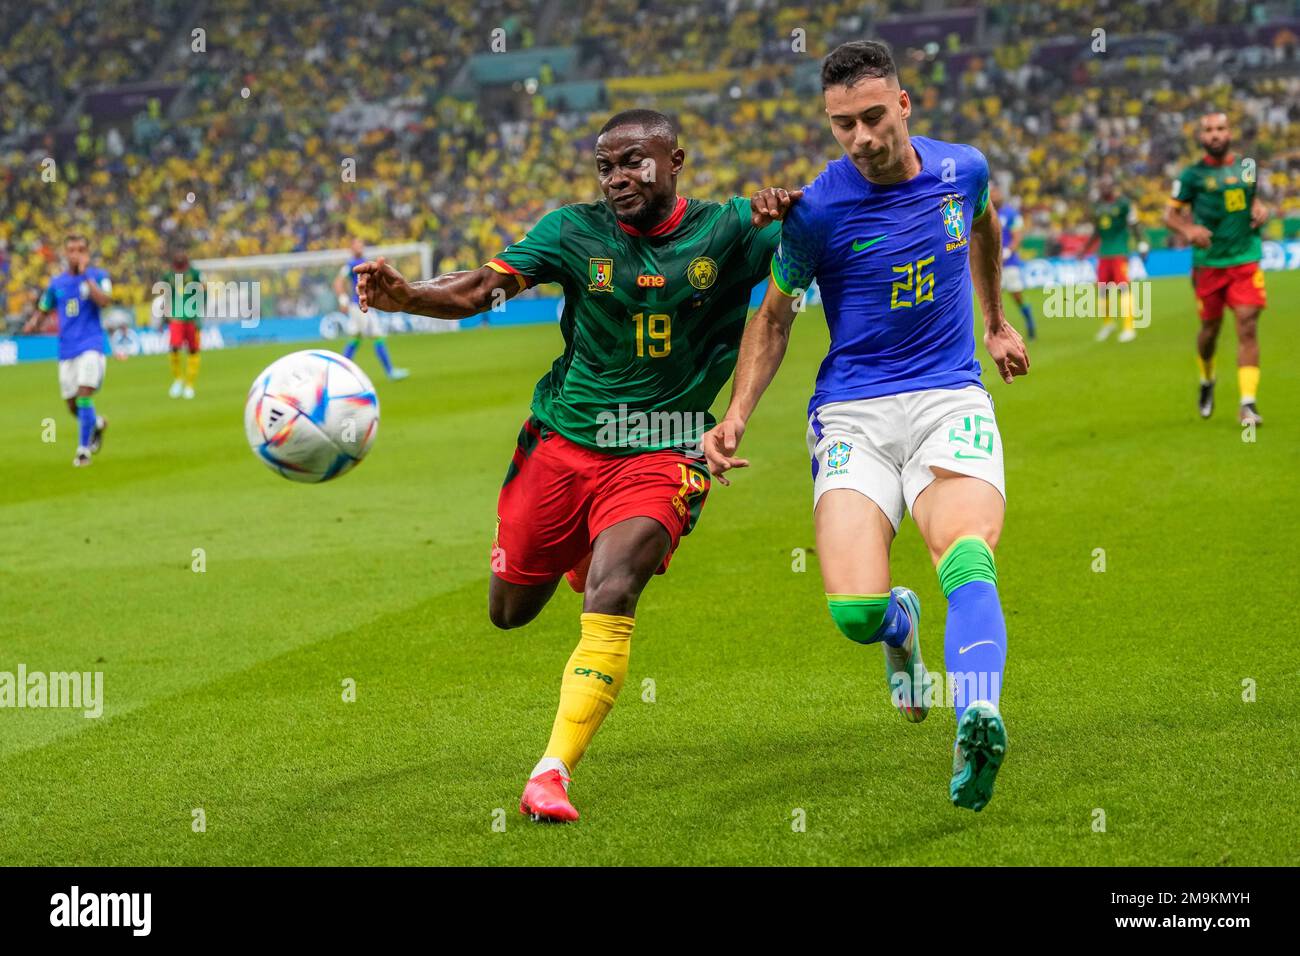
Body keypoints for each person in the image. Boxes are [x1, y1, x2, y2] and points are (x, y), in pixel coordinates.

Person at [352, 109, 789, 823]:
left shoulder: (733, 229)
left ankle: (550, 772)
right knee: (509, 611)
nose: (618, 178)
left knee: (614, 589)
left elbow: (824, 234)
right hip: (562, 446)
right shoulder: (571, 232)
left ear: (675, 159)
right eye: (606, 166)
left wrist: (790, 205)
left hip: (664, 447)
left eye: (635, 162)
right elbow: (478, 289)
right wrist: (411, 297)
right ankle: (580, 543)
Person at [703, 41, 1029, 812]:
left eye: (873, 118)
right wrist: (736, 418)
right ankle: (899, 628)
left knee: (966, 552)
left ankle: (976, 710)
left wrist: (995, 322)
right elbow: (776, 316)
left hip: (950, 395)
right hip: (853, 410)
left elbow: (984, 228)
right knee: (855, 613)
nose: (860, 138)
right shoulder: (816, 210)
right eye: (842, 125)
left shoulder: (964, 169)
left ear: (905, 105)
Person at [1164, 112, 1268, 425]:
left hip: (1245, 259)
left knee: (1247, 326)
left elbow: (1253, 201)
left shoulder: (1248, 166)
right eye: (1208, 130)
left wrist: (1262, 209)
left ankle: (1248, 403)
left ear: (1230, 132)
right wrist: (1189, 231)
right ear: (1201, 137)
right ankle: (1207, 379)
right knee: (1210, 332)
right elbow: (1170, 215)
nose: (1215, 135)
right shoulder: (1191, 175)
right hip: (1208, 264)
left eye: (1220, 129)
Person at [23, 234, 112, 467]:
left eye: (80, 250)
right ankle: (97, 423)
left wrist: (86, 277)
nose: (75, 254)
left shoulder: (99, 277)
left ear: (87, 254)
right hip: (66, 349)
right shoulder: (56, 283)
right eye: (71, 250)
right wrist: (33, 324)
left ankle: (83, 450)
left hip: (91, 346)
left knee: (84, 393)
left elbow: (104, 301)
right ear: (65, 253)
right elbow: (44, 307)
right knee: (72, 404)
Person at [334, 237, 408, 380]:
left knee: (359, 337)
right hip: (359, 306)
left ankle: (339, 371)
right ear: (351, 248)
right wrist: (342, 300)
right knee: (371, 336)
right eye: (356, 245)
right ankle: (390, 372)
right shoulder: (349, 265)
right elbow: (338, 282)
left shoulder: (366, 261)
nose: (359, 248)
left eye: (361, 245)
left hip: (367, 305)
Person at [1087, 177, 1147, 343]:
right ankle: (1108, 324)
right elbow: (1096, 231)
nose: (1104, 188)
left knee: (1123, 288)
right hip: (1104, 253)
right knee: (1101, 290)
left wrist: (1142, 243)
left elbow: (1135, 226)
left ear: (1113, 187)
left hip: (1120, 251)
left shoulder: (1124, 204)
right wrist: (1084, 249)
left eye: (1107, 185)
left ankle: (1129, 328)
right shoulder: (1097, 207)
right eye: (1102, 186)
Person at [163, 249, 203, 398]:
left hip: (192, 318)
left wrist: (198, 313)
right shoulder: (168, 275)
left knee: (193, 350)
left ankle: (190, 385)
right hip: (176, 318)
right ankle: (178, 379)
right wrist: (166, 314)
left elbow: (202, 292)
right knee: (174, 348)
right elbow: (166, 295)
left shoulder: (195, 274)